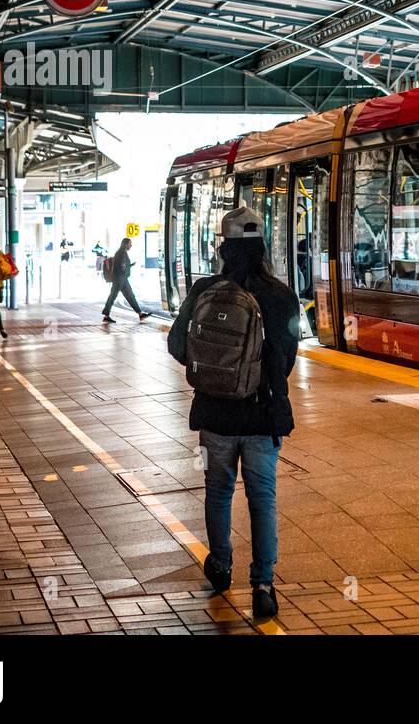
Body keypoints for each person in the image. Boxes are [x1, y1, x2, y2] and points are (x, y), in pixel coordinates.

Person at [167, 208, 299, 620]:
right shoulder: (281, 295)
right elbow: (289, 355)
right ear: (262, 246)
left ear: (223, 247)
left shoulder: (206, 290)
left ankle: (220, 567)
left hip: (214, 417)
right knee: (262, 498)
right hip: (262, 416)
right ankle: (262, 585)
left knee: (218, 491)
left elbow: (176, 344)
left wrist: (215, 370)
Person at [102, 238, 151, 323]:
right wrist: (128, 267)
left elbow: (121, 266)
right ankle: (106, 315)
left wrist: (130, 265)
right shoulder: (122, 254)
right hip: (120, 279)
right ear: (125, 244)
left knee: (129, 296)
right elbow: (122, 267)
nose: (131, 245)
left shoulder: (120, 253)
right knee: (115, 296)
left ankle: (140, 314)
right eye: (130, 244)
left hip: (121, 279)